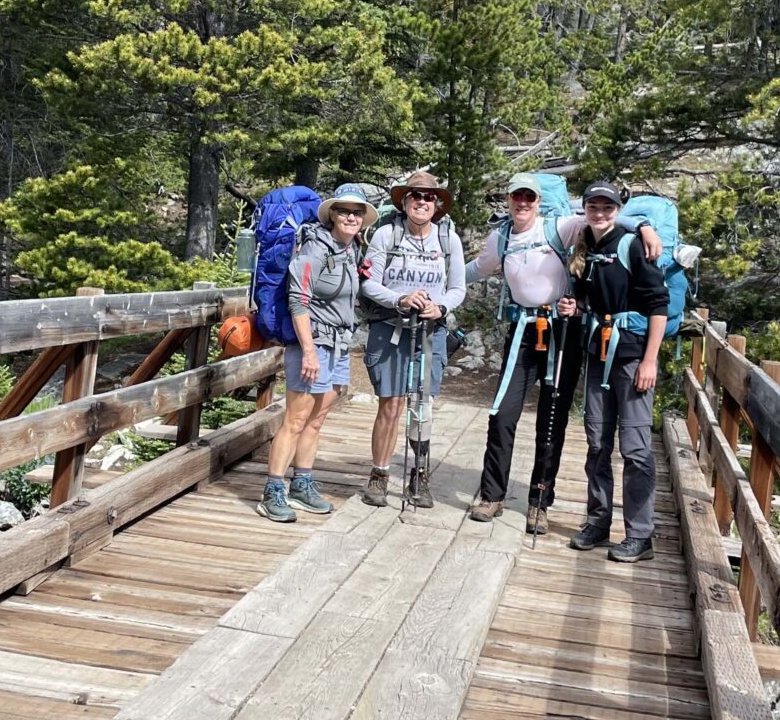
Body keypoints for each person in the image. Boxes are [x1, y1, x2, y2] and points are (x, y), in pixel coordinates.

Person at [466, 172, 661, 535]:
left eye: (529, 197)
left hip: (562, 332)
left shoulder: (558, 227)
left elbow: (602, 218)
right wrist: (444, 281)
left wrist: (644, 227)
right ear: (508, 200)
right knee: (502, 415)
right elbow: (478, 269)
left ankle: (540, 501)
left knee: (551, 420)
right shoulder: (501, 237)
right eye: (517, 196)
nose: (522, 203)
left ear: (538, 202)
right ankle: (492, 495)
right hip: (523, 332)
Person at [559, 180, 669, 563]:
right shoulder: (585, 250)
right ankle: (598, 522)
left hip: (633, 357)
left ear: (618, 211)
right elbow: (589, 300)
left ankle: (640, 535)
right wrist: (576, 308)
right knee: (597, 443)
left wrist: (650, 361)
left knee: (635, 448)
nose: (600, 213)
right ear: (585, 209)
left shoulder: (632, 244)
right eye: (594, 206)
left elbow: (659, 305)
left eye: (607, 207)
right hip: (598, 354)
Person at [257, 183, 376, 523]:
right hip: (313, 344)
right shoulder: (314, 248)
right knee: (295, 419)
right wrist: (308, 351)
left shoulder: (351, 249)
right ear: (332, 214)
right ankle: (272, 490)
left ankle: (302, 484)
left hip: (338, 345)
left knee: (317, 419)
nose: (351, 217)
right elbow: (298, 300)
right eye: (344, 211)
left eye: (357, 212)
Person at [360, 172, 465, 508]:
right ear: (404, 202)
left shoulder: (448, 240)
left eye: (429, 197)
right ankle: (379, 474)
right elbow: (369, 283)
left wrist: (440, 307)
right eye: (415, 196)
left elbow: (457, 288)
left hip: (430, 332)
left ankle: (419, 475)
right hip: (390, 329)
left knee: (422, 406)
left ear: (437, 204)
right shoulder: (386, 234)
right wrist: (400, 299)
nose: (422, 201)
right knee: (390, 404)